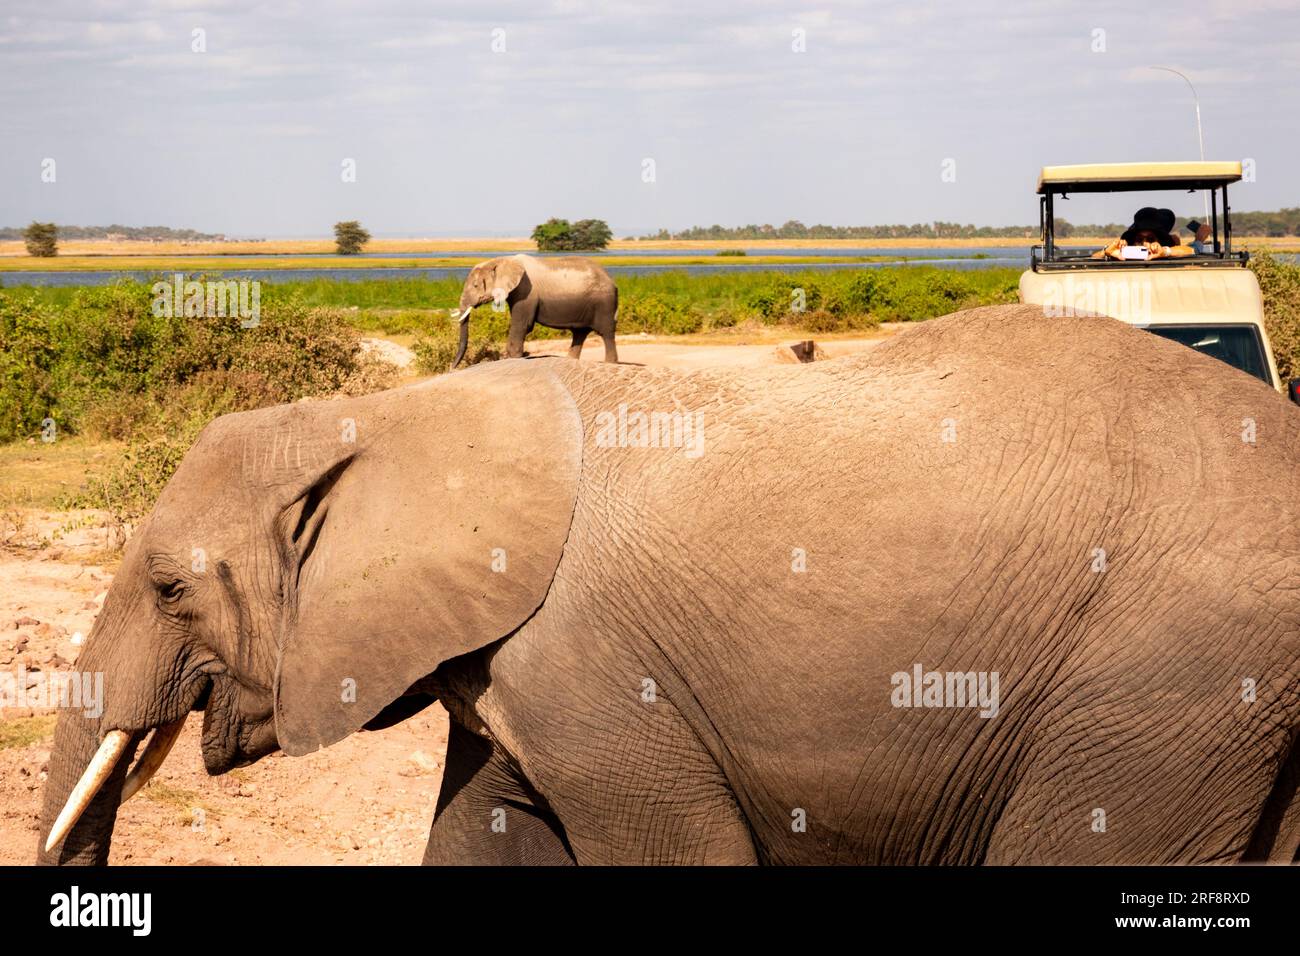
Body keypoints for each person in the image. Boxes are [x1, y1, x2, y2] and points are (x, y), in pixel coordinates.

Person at [1092, 206, 1193, 260]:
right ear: (1133, 241)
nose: (1144, 243)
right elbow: (1094, 257)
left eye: (1150, 239)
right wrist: (1108, 251)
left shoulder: (1163, 252)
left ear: (1159, 241)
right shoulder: (1124, 254)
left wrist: (1164, 252)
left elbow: (1190, 250)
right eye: (1139, 239)